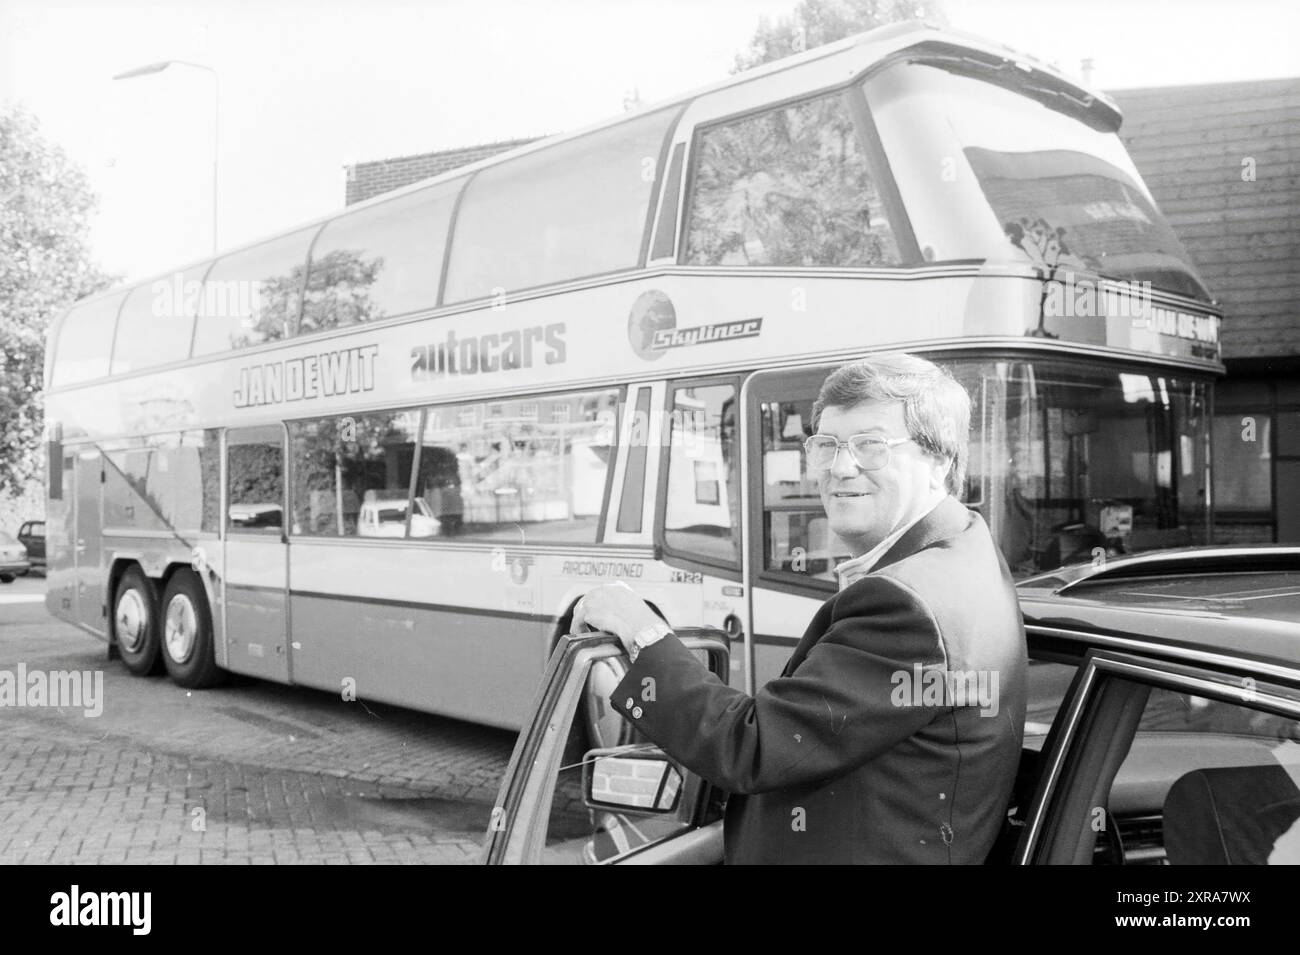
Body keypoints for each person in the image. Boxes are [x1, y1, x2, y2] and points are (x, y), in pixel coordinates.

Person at [572, 352, 1028, 864]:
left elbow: (752, 749)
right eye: (826, 445)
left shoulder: (907, 605)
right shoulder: (967, 548)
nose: (840, 467)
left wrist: (644, 633)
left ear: (939, 461)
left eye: (870, 446)